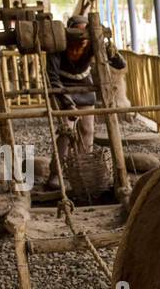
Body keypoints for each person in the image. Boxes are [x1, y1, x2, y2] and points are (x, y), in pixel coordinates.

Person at [47, 15, 127, 183]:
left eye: (85, 33)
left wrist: (113, 53)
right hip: (62, 88)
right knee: (66, 131)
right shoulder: (57, 45)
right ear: (68, 33)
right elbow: (53, 78)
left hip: (85, 88)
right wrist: (67, 103)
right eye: (78, 33)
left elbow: (120, 65)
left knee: (88, 130)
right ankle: (56, 173)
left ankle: (83, 171)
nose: (82, 38)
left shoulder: (93, 44)